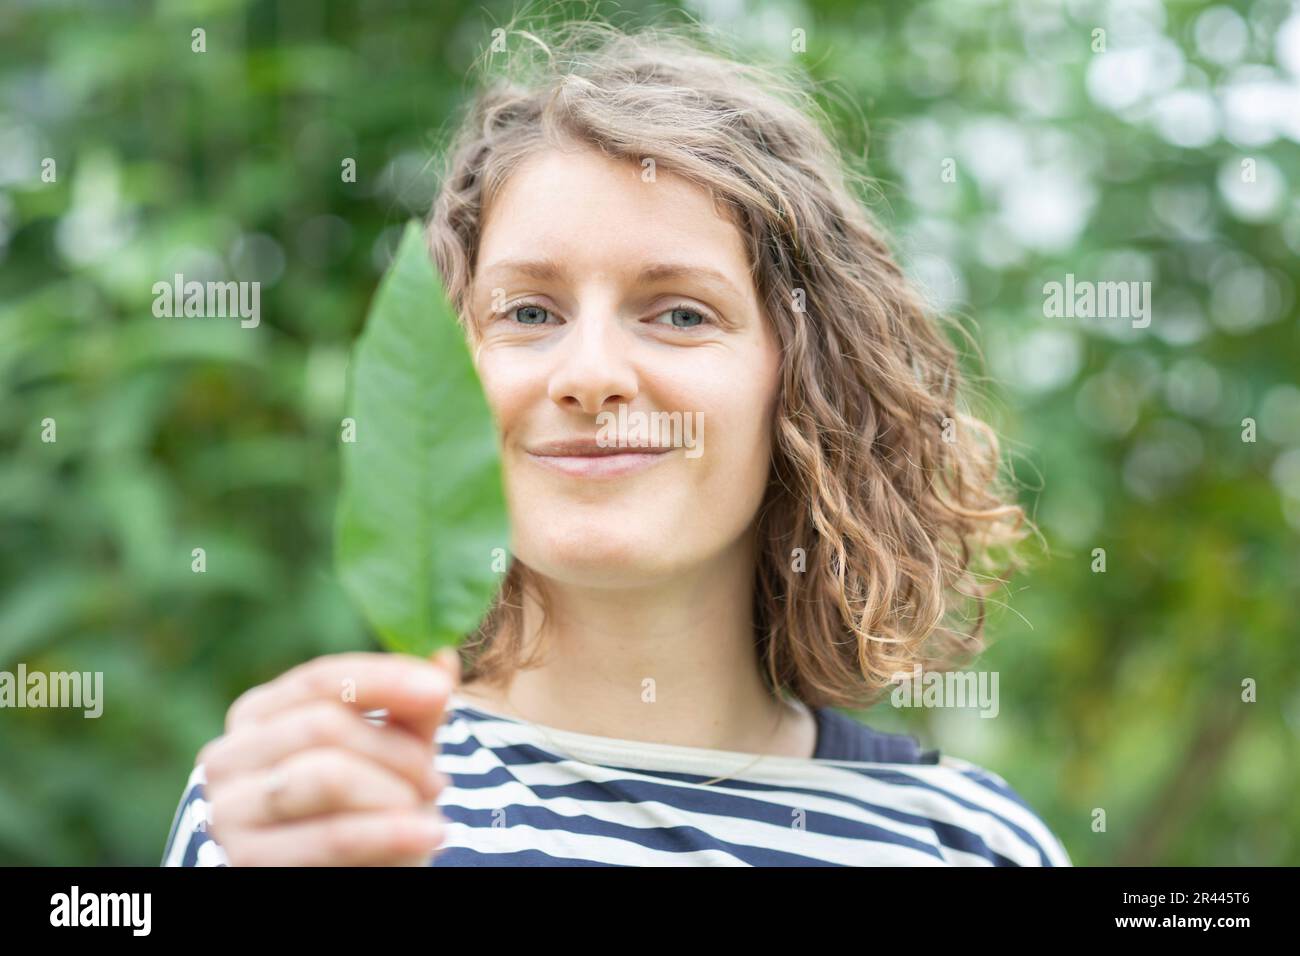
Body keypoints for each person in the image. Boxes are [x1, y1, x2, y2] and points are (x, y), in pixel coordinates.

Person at [162, 18, 1071, 867]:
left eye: (679, 312)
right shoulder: (307, 808)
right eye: (528, 312)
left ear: (803, 379)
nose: (589, 373)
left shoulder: (970, 844)